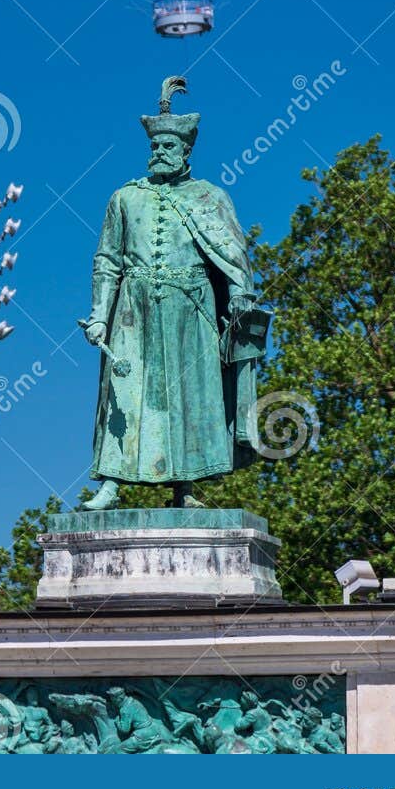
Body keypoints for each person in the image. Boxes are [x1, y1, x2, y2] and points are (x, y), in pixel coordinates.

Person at [80, 77, 260, 510]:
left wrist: (240, 294)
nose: (159, 151)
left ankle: (187, 487)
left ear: (186, 151)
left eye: (168, 146)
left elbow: (233, 255)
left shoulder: (210, 196)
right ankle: (111, 484)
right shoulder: (124, 197)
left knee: (190, 395)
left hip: (190, 310)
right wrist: (100, 315)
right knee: (123, 392)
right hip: (133, 310)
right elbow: (107, 261)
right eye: (155, 145)